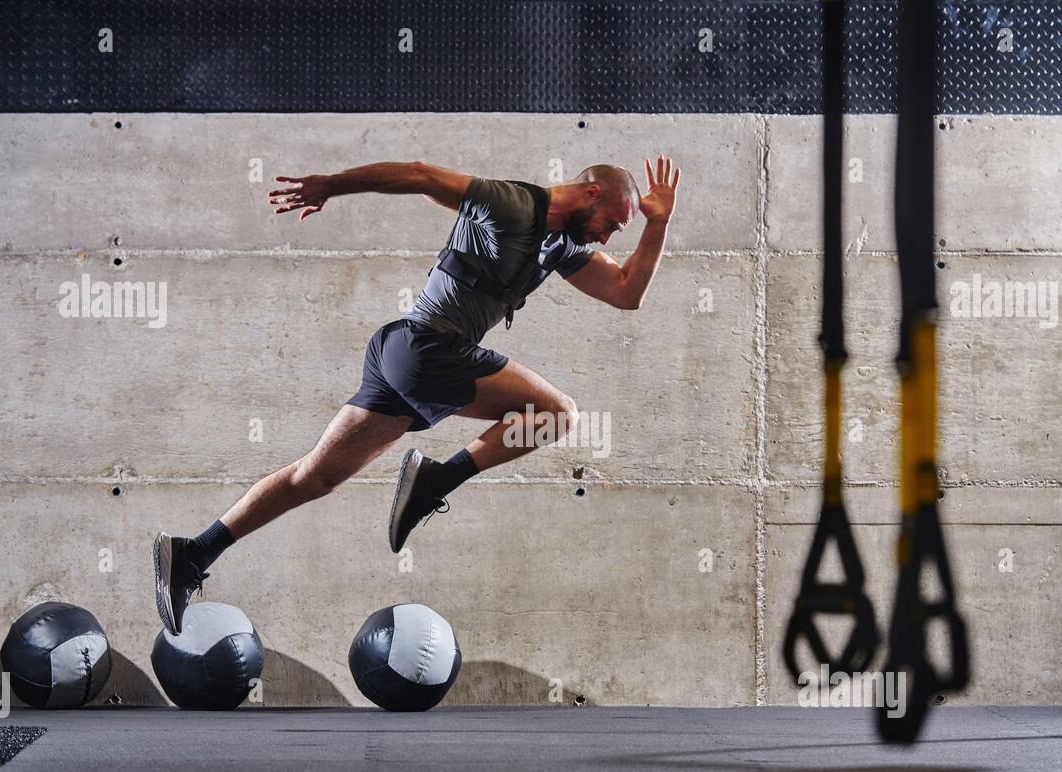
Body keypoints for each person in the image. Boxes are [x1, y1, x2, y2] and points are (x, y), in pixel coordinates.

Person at [153, 156, 680, 633]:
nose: (610, 238)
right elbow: (422, 175)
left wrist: (657, 223)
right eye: (614, 223)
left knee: (314, 477)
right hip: (428, 348)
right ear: (591, 194)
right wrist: (332, 186)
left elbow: (626, 292)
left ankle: (195, 551)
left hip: (404, 354)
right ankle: (433, 481)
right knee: (557, 414)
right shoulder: (512, 202)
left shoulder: (558, 246)